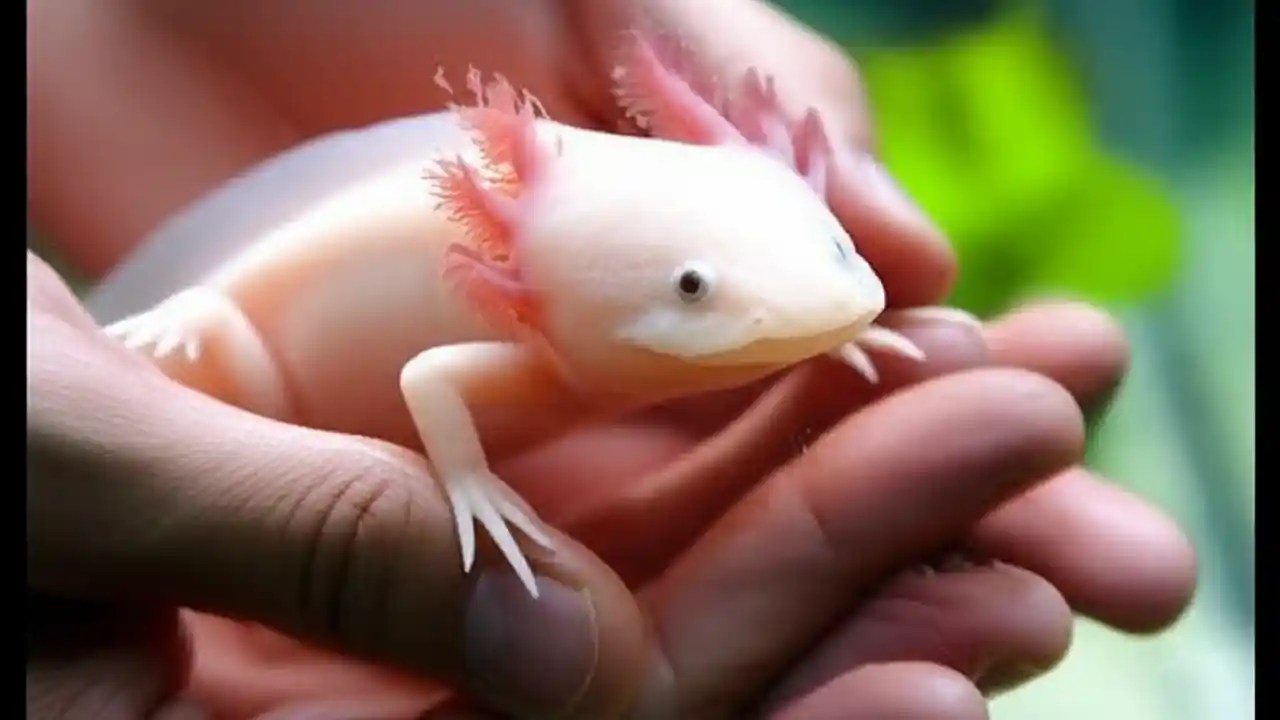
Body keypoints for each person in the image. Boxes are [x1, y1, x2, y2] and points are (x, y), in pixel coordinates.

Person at [26, 1, 1198, 718]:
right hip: (249, 353)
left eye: (831, 245)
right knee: (217, 343)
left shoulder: (720, 222)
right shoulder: (520, 304)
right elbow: (432, 380)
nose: (811, 287)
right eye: (695, 295)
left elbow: (779, 269)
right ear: (508, 280)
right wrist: (464, 485)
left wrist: (834, 312)